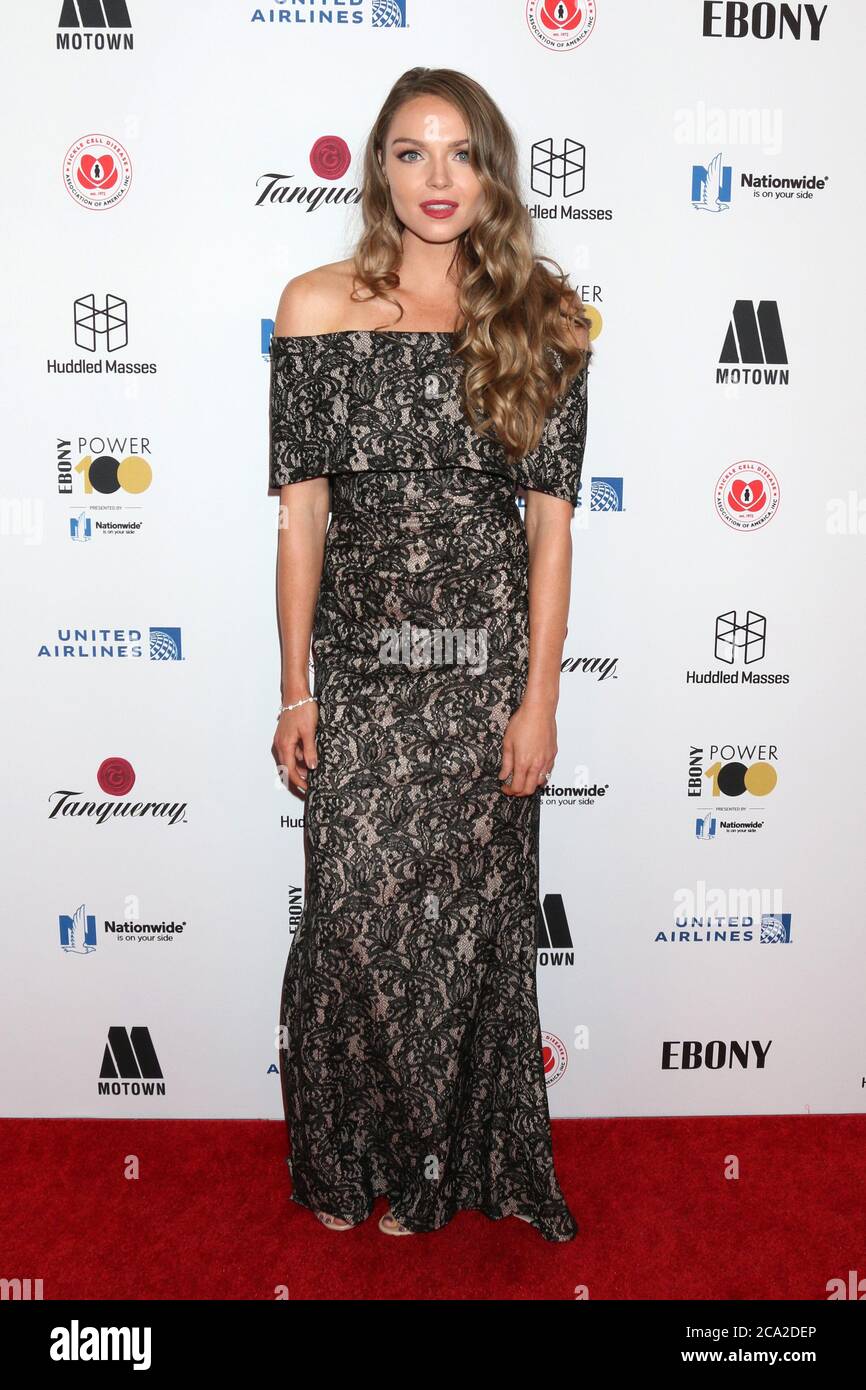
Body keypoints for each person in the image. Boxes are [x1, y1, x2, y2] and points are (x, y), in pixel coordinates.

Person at [268, 66, 591, 1242]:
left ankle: (439, 1168)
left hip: (479, 667)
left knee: (460, 934)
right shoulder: (312, 307)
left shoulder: (544, 317)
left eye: (460, 153)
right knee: (350, 916)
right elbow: (302, 520)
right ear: (379, 170)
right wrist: (295, 684)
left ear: (491, 170)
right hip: (359, 660)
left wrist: (536, 700)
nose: (437, 178)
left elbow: (550, 532)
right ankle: (349, 1154)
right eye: (412, 152)